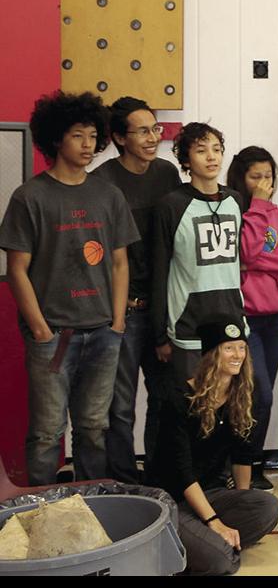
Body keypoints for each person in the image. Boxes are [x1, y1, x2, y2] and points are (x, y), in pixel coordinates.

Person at [1, 90, 137, 486]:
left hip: (103, 333)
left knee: (94, 428)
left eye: (94, 136)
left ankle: (93, 507)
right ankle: (42, 511)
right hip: (53, 336)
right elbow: (17, 270)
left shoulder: (109, 195)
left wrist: (116, 322)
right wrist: (41, 328)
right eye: (78, 135)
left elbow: (119, 261)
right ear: (56, 138)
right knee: (47, 433)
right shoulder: (30, 197)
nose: (88, 145)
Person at [145, 316, 278, 575]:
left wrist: (242, 499)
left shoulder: (241, 397)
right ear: (211, 355)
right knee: (221, 563)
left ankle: (198, 542)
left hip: (211, 494)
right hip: (173, 500)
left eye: (241, 347)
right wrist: (214, 522)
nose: (237, 354)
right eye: (229, 348)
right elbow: (182, 474)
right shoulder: (179, 398)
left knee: (268, 507)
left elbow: (242, 457)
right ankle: (196, 543)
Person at [95, 95, 180, 484]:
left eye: (156, 129)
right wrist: (116, 304)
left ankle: (160, 480)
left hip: (164, 307)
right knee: (120, 406)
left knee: (166, 399)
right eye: (143, 131)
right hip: (124, 310)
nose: (153, 138)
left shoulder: (166, 174)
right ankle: (123, 483)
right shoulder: (103, 182)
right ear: (119, 137)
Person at [151, 122, 250, 385]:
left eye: (217, 149)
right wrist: (159, 334)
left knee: (230, 410)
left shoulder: (236, 200)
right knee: (193, 411)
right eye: (201, 150)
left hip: (231, 321)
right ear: (186, 159)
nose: (211, 157)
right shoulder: (171, 205)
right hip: (189, 325)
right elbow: (159, 271)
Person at [228, 146, 278, 490]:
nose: (263, 184)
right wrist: (256, 207)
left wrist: (256, 262)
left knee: (262, 394)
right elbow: (243, 252)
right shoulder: (235, 213)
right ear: (241, 179)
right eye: (255, 177)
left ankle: (251, 464)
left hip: (276, 317)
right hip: (245, 319)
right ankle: (240, 463)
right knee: (258, 394)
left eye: (268, 177)